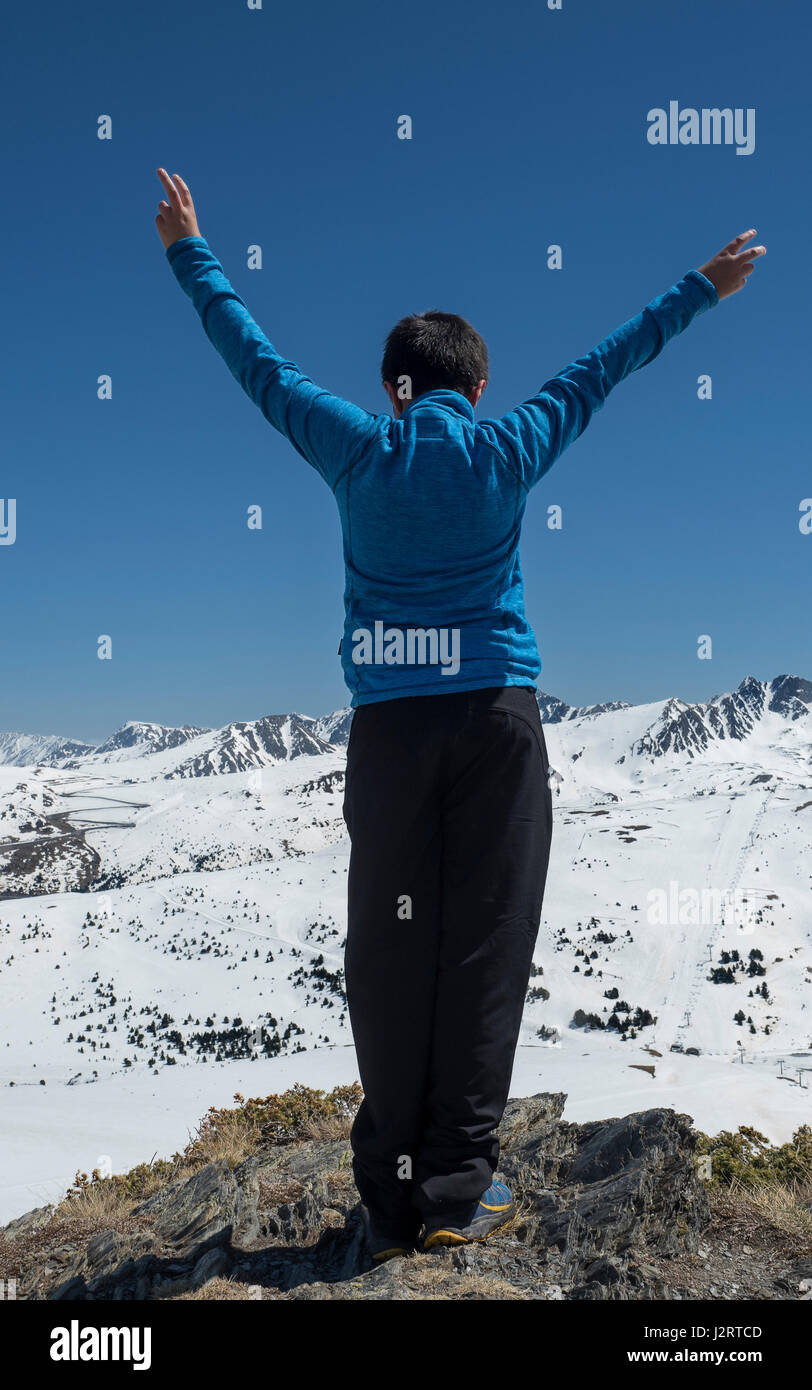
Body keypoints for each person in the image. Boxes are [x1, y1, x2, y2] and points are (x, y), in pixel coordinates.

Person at [155, 169, 765, 1258]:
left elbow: (255, 362)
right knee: (482, 948)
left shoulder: (353, 444)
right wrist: (699, 289)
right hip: (494, 721)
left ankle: (390, 1190)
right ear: (474, 386)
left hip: (388, 733)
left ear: (393, 386)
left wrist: (189, 251)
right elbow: (603, 363)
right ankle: (452, 1192)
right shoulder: (506, 444)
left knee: (389, 956)